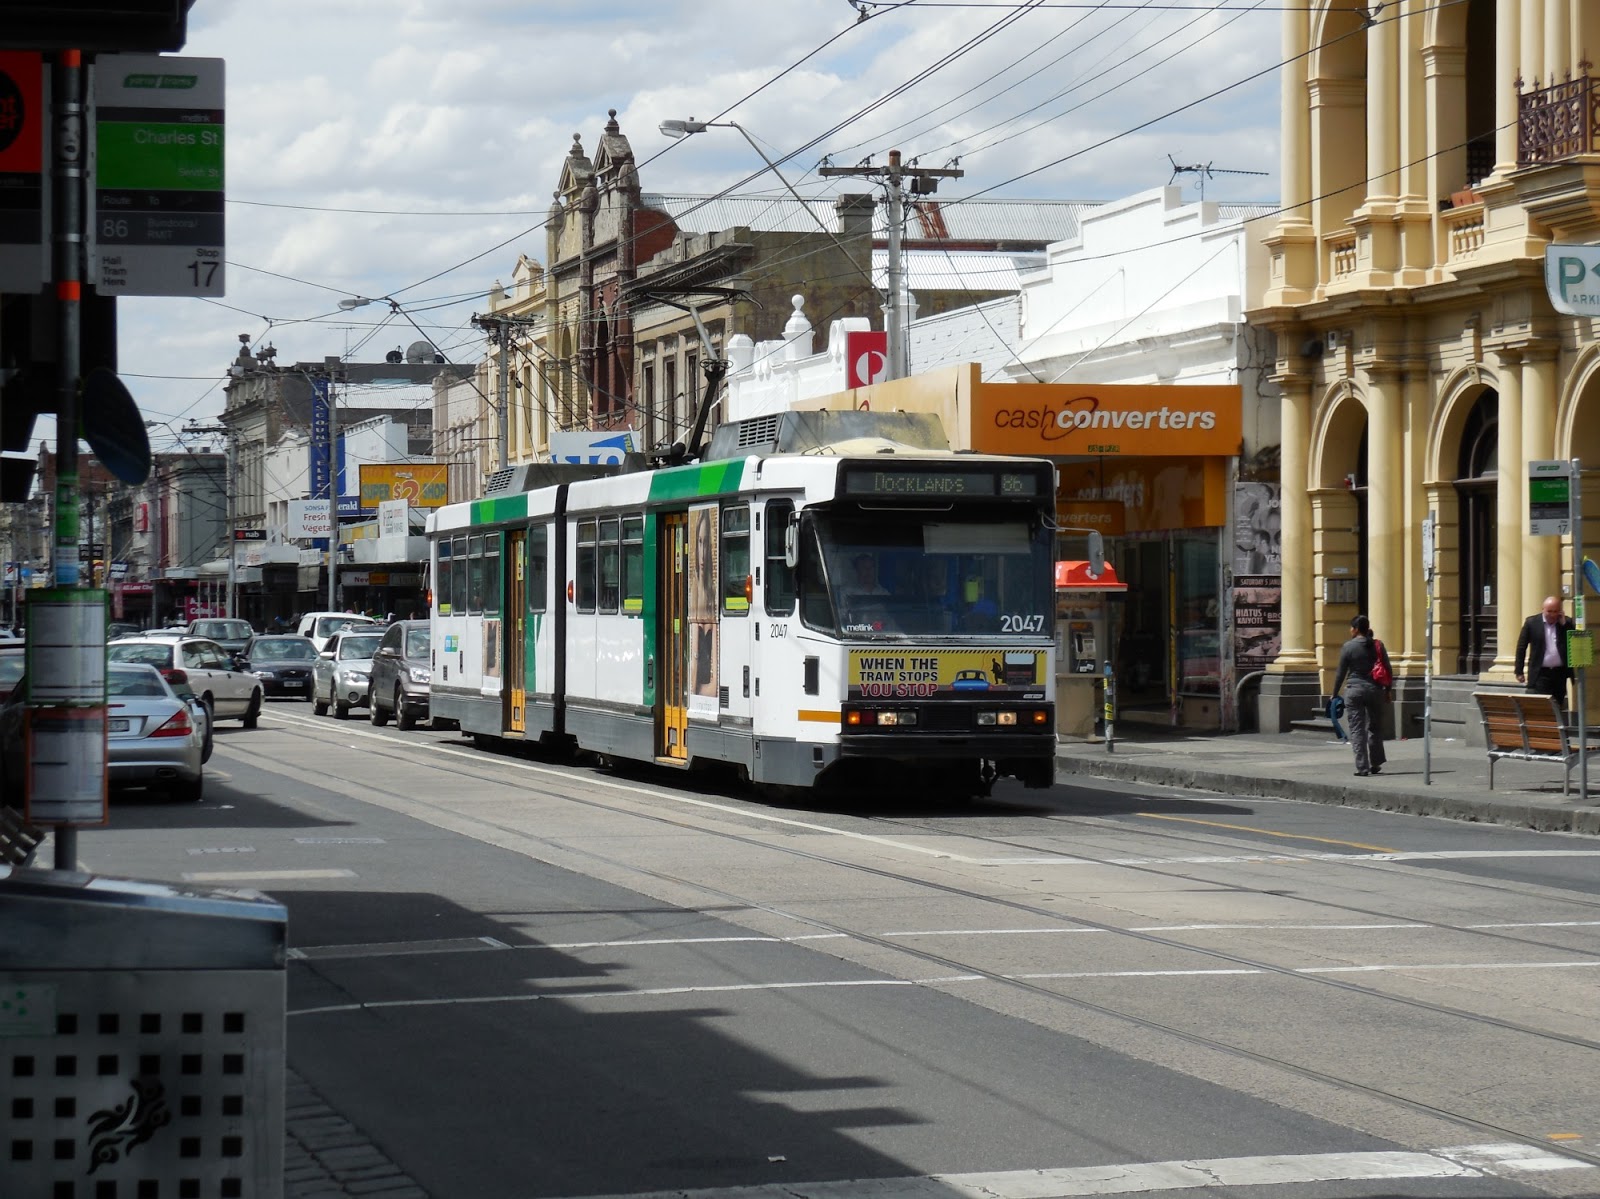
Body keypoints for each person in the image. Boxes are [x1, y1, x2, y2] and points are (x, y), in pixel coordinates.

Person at [1330, 613, 1391, 777]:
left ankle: (1362, 767)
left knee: (1357, 729)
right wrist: (1388, 690)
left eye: (1351, 627)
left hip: (1354, 691)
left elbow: (1340, 673)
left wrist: (1334, 694)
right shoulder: (1378, 645)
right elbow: (1387, 668)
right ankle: (1376, 763)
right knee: (1375, 727)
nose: (1350, 630)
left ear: (1356, 629)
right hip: (1375, 690)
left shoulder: (1348, 647)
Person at [1514, 595, 1575, 710]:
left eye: (1556, 611)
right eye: (1549, 611)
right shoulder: (1532, 623)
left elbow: (1574, 641)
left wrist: (1564, 625)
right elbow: (1521, 647)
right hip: (1541, 673)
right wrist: (1519, 671)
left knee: (1558, 706)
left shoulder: (1565, 623)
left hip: (1559, 673)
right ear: (1543, 609)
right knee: (1543, 707)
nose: (1552, 615)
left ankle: (1556, 728)